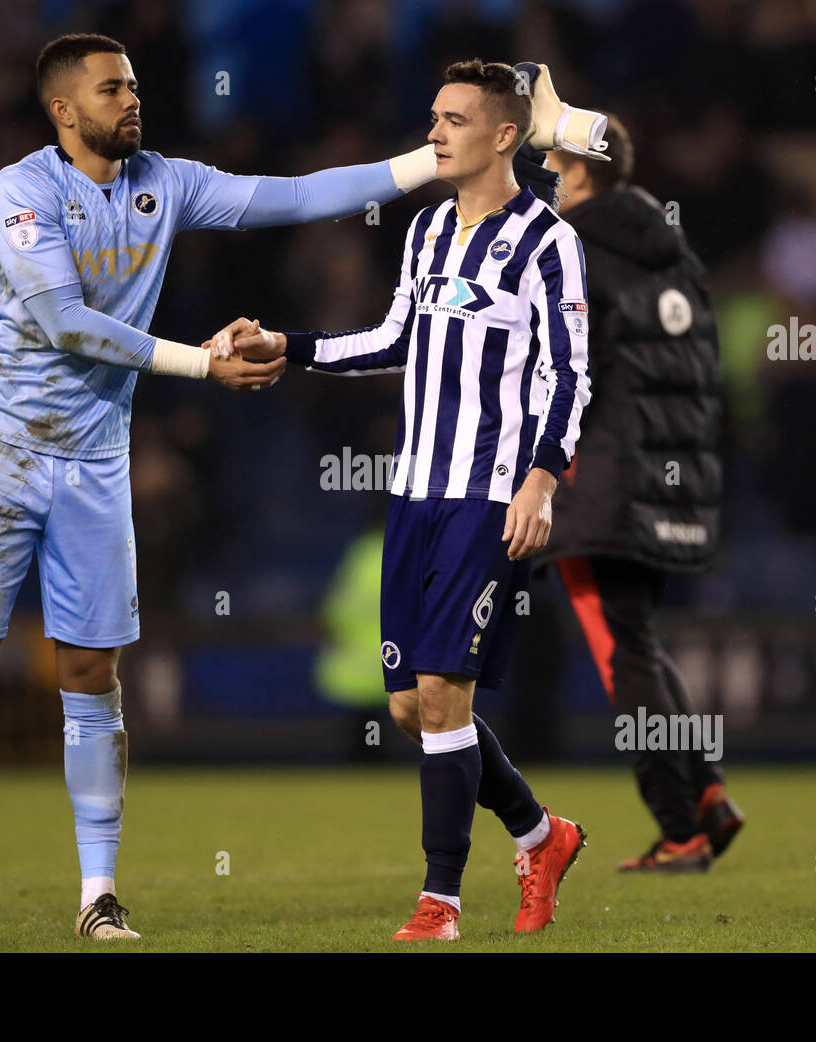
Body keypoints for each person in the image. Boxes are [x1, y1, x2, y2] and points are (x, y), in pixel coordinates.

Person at [0, 30, 475, 942]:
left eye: (134, 85)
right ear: (62, 109)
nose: (132, 100)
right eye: (111, 88)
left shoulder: (165, 180)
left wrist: (420, 166)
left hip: (94, 460)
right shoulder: (22, 193)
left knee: (93, 674)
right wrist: (201, 366)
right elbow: (62, 322)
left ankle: (97, 893)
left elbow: (293, 197)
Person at [213, 59, 593, 941]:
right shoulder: (423, 231)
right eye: (431, 117)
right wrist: (289, 344)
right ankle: (543, 835)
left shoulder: (546, 242)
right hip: (414, 489)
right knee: (413, 707)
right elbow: (393, 340)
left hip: (489, 492)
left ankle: (441, 901)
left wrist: (541, 478)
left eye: (454, 119)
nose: (434, 133)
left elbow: (569, 374)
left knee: (443, 692)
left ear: (504, 135)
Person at [527, 116, 744, 872]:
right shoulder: (674, 252)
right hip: (673, 475)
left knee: (623, 654)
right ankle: (709, 793)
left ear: (581, 175)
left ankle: (680, 828)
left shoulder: (574, 249)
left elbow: (557, 367)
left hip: (605, 480)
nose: (546, 175)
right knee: (640, 643)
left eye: (554, 163)